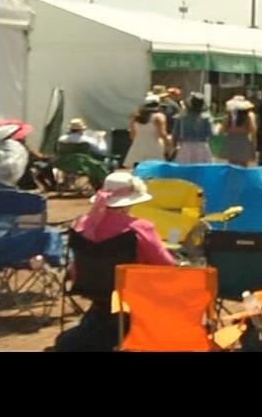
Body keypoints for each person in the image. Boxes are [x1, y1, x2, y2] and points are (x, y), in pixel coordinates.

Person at [55, 172, 176, 352]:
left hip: (92, 289)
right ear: (130, 202)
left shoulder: (82, 225)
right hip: (131, 296)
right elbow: (166, 266)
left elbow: (76, 266)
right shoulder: (138, 228)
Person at [124, 95, 170, 168]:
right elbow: (162, 134)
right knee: (155, 171)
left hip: (138, 146)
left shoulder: (136, 117)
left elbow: (132, 135)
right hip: (154, 146)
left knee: (137, 171)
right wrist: (168, 144)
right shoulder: (159, 117)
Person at [173, 94, 215, 164]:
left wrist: (174, 146)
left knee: (185, 171)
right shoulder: (206, 118)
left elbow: (175, 133)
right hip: (202, 147)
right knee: (202, 171)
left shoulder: (182, 117)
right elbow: (211, 134)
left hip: (185, 146)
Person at [220, 96, 258, 167]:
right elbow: (253, 132)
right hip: (243, 142)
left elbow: (221, 131)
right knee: (243, 167)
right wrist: (254, 145)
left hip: (231, 141)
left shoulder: (228, 117)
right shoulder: (248, 117)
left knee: (232, 167)